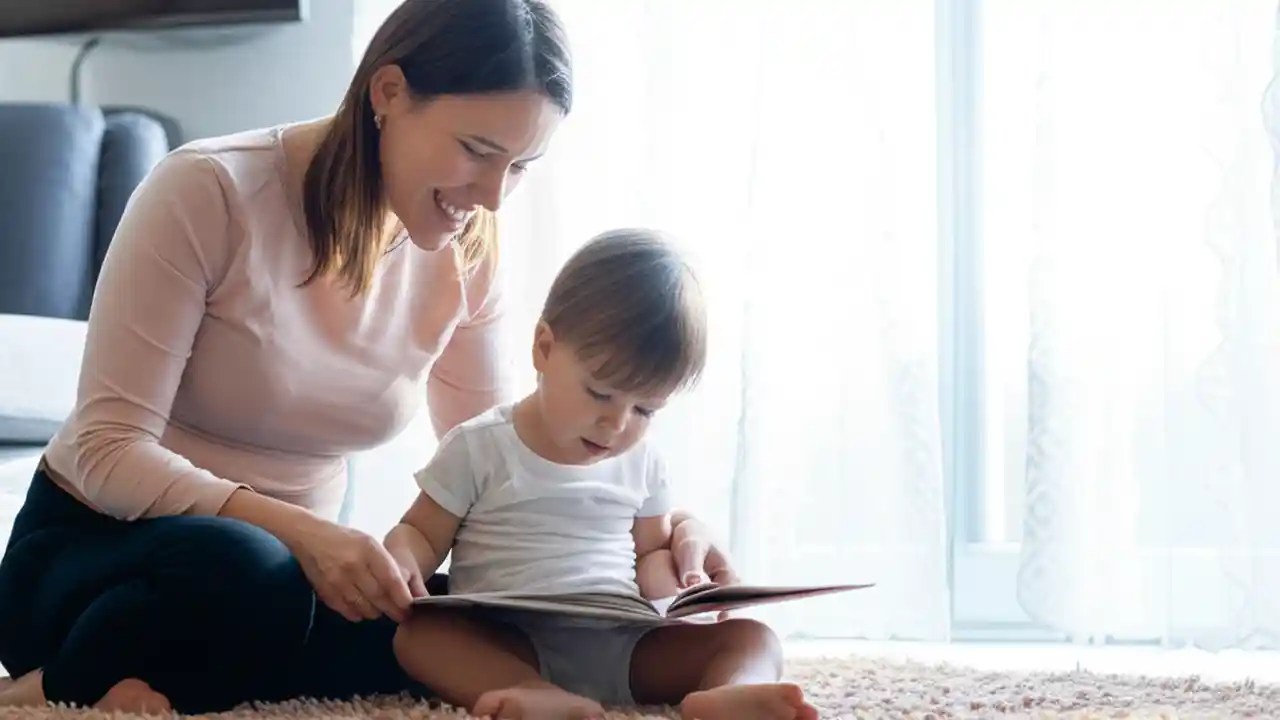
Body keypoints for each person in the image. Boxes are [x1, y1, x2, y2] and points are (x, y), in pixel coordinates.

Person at [0, 0, 735, 713]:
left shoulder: (466, 248)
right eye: (478, 152)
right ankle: (48, 682)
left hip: (294, 579)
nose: (492, 197)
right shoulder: (208, 192)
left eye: (519, 167)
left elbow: (502, 450)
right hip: (103, 551)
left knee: (456, 626)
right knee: (249, 572)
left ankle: (168, 675)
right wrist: (304, 533)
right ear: (388, 92)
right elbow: (106, 449)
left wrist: (657, 529)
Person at [387, 230, 817, 720]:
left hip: (623, 646)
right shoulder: (478, 445)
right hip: (507, 641)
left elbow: (649, 563)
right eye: (600, 393)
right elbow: (422, 534)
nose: (617, 424)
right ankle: (534, 693)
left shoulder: (644, 463)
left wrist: (686, 576)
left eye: (646, 409)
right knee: (420, 638)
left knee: (753, 637)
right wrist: (402, 561)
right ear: (544, 350)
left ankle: (724, 692)